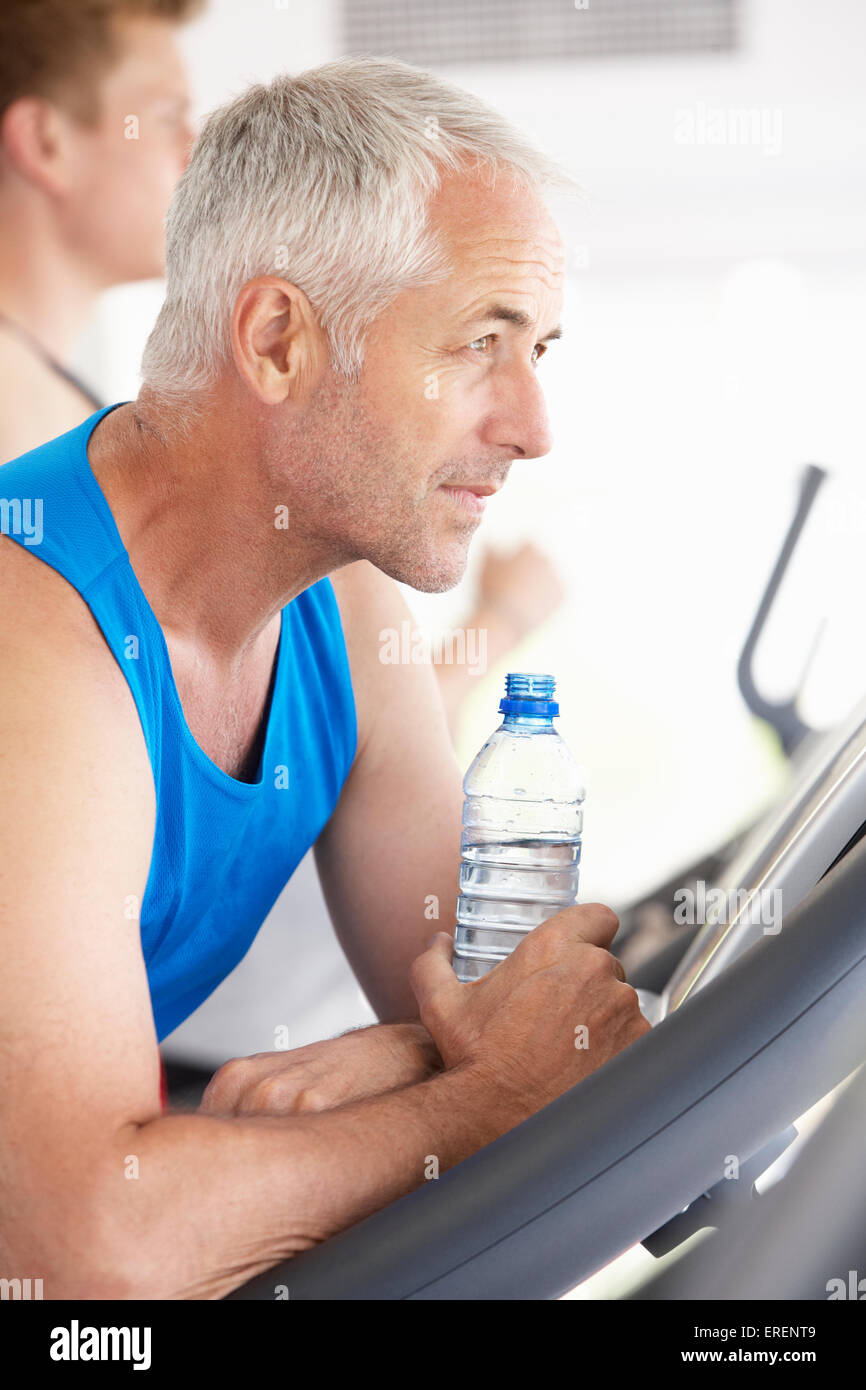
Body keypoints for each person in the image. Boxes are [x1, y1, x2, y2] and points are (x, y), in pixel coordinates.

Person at [0, 55, 649, 1299]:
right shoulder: (33, 636)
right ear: (280, 339)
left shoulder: (340, 607)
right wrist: (475, 1101)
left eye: (540, 350)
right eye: (479, 344)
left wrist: (408, 1064)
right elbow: (85, 1253)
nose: (531, 424)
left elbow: (510, 1006)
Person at [0, 0, 199, 463]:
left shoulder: (40, 403)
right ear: (44, 142)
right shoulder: (19, 419)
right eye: (168, 119)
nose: (193, 159)